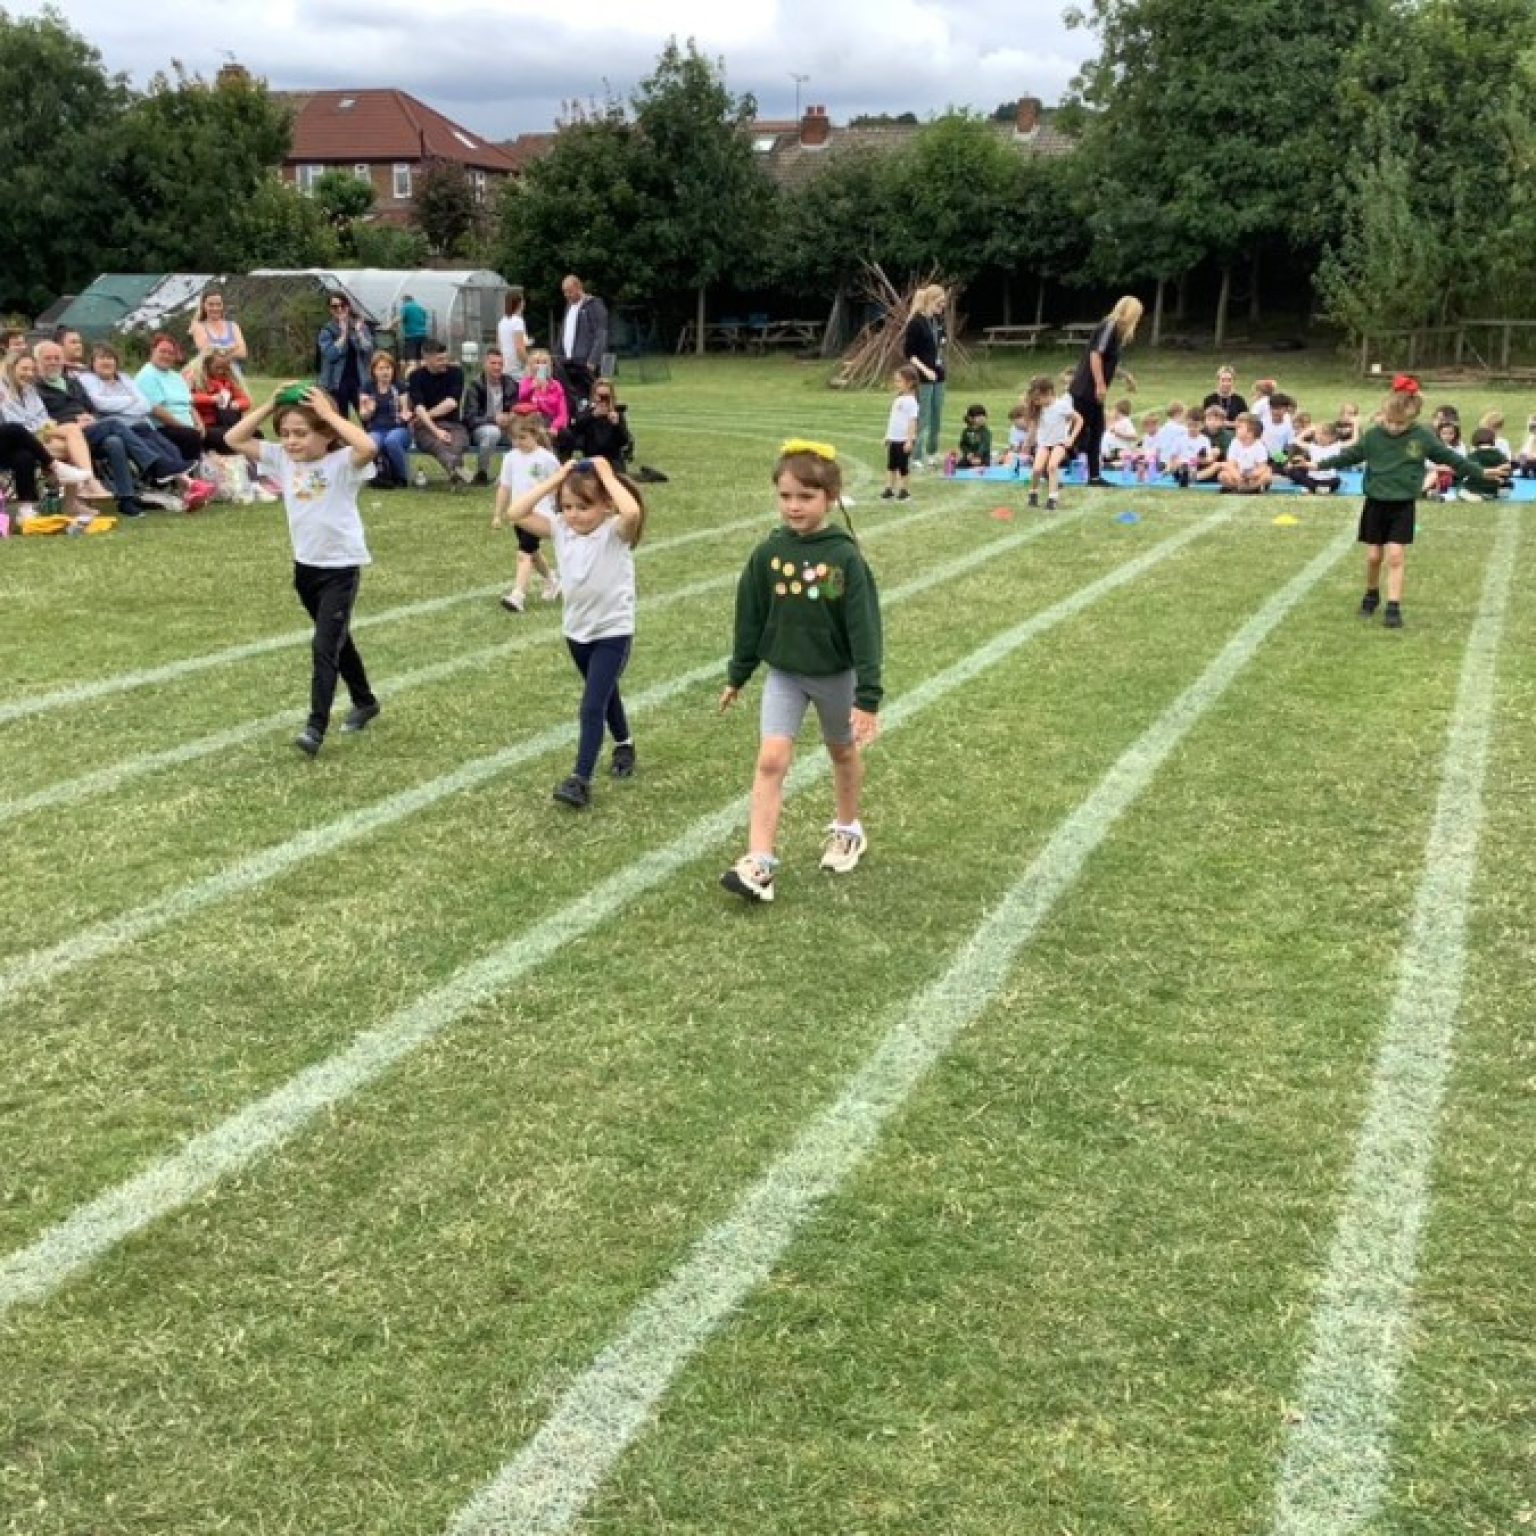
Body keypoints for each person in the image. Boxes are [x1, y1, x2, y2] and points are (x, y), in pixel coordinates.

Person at [718, 440, 883, 903]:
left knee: (842, 752)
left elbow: (865, 629)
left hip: (833, 676)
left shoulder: (845, 558)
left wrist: (867, 697)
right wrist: (738, 673)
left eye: (806, 497)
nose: (794, 506)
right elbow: (749, 617)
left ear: (830, 498)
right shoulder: (767, 554)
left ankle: (849, 828)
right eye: (786, 495)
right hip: (785, 675)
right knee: (771, 758)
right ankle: (760, 862)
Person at [224, 386, 383, 754]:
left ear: (326, 435)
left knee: (324, 645)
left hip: (340, 568)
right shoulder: (282, 459)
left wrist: (328, 414)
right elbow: (234, 437)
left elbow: (369, 448)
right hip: (305, 569)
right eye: (286, 433)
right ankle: (365, 701)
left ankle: (315, 727)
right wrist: (270, 404)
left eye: (301, 433)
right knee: (338, 641)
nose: (291, 441)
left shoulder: (342, 462)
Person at [504, 455, 646, 807]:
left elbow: (630, 513)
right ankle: (625, 744)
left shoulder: (615, 532)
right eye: (566, 506)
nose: (574, 514)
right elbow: (515, 513)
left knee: (592, 704)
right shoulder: (560, 529)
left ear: (604, 505)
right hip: (577, 632)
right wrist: (558, 478)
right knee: (605, 691)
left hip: (612, 631)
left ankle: (579, 780)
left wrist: (606, 475)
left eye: (583, 507)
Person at [1315, 376, 1488, 629]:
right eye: (1390, 421)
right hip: (1376, 502)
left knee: (1395, 556)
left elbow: (1450, 457)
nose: (1394, 427)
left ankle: (1393, 607)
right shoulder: (1373, 436)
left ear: (1412, 418)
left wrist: (1481, 472)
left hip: (1403, 505)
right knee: (1374, 556)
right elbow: (1349, 455)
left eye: (1400, 423)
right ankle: (1371, 593)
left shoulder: (1422, 437)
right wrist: (1317, 464)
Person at [34, 339, 159, 517]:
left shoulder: (71, 382)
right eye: (48, 358)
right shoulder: (36, 387)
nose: (53, 362)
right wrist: (75, 423)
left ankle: (126, 500)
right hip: (63, 434)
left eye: (57, 358)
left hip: (89, 430)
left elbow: (90, 406)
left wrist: (90, 416)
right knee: (114, 424)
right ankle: (152, 464)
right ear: (37, 361)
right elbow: (41, 418)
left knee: (114, 442)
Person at [77, 344, 211, 510]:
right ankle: (183, 484)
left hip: (140, 424)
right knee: (155, 447)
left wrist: (122, 403)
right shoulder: (88, 379)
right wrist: (129, 400)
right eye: (101, 358)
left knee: (170, 448)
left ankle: (188, 488)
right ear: (93, 362)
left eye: (110, 358)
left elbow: (145, 405)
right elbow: (100, 403)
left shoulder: (124, 378)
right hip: (120, 428)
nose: (106, 362)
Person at [0, 351, 111, 502]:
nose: (29, 373)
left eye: (32, 369)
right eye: (24, 369)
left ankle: (85, 484)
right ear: (11, 369)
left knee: (72, 431)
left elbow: (43, 417)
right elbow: (14, 426)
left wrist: (45, 429)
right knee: (71, 447)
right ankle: (79, 483)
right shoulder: (3, 391)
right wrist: (43, 429)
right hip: (14, 442)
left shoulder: (30, 390)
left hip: (35, 439)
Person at [490, 412, 562, 613]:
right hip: (518, 515)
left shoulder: (547, 459)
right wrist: (498, 514)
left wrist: (561, 511)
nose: (518, 442)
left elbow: (559, 486)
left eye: (523, 438)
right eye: (514, 438)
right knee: (533, 552)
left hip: (540, 515)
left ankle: (518, 595)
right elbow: (505, 487)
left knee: (524, 554)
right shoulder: (510, 458)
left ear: (536, 435)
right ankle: (552, 580)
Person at [1069, 295, 1142, 486]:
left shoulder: (1116, 333)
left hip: (1094, 391)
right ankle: (1048, 465)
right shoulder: (1110, 325)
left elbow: (1108, 361)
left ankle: (1094, 476)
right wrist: (1100, 384)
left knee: (1096, 432)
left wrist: (1125, 376)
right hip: (1086, 389)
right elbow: (1096, 355)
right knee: (1078, 433)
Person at [136, 334, 228, 463]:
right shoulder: (147, 375)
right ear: (153, 351)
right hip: (162, 428)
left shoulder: (176, 376)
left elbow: (189, 404)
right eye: (162, 351)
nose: (167, 356)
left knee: (226, 437)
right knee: (190, 436)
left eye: (171, 353)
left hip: (188, 426)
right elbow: (157, 410)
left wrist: (199, 423)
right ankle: (190, 478)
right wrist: (184, 426)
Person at [406, 340, 471, 488]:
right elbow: (418, 407)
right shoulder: (415, 376)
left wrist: (426, 416)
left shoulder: (456, 373)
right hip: (426, 427)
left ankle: (457, 474)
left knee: (458, 444)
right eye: (439, 359)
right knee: (438, 445)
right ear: (426, 359)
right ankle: (461, 474)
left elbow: (451, 403)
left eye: (445, 358)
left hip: (452, 424)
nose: (444, 362)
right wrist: (436, 431)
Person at [901, 284, 947, 468]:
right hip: (923, 375)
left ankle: (932, 452)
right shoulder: (915, 323)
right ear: (930, 300)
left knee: (937, 415)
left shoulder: (938, 321)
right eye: (940, 302)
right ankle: (916, 455)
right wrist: (925, 369)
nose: (942, 306)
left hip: (939, 375)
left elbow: (941, 344)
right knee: (923, 415)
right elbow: (909, 353)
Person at [1024, 373, 1083, 511]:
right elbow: (1033, 428)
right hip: (1044, 444)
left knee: (1052, 466)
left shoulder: (1061, 406)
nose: (1037, 402)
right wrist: (1027, 444)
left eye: (1039, 398)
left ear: (1049, 393)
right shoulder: (1038, 408)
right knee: (1037, 469)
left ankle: (1052, 498)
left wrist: (1071, 438)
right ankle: (1033, 493)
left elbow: (1079, 420)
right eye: (1035, 399)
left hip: (1059, 443)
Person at [358, 352, 413, 489]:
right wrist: (369, 410)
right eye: (381, 368)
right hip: (376, 429)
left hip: (398, 429)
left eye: (388, 368)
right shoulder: (368, 387)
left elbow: (405, 412)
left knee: (392, 440)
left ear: (393, 370)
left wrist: (405, 414)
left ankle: (401, 477)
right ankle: (378, 476)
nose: (385, 372)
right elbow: (363, 416)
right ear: (374, 371)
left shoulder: (399, 387)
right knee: (371, 442)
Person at [463, 347, 517, 484]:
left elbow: (517, 407)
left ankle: (509, 477)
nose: (497, 367)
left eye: (500, 364)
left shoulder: (510, 383)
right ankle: (482, 474)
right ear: (485, 364)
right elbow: (470, 418)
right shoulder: (475, 385)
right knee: (492, 432)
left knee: (522, 434)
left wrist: (511, 417)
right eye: (493, 363)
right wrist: (494, 419)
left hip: (506, 428)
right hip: (481, 429)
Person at [316, 294, 374, 419]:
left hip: (359, 380)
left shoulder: (359, 326)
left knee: (367, 418)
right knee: (341, 421)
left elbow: (368, 350)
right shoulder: (327, 331)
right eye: (335, 306)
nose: (339, 309)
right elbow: (331, 355)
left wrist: (359, 333)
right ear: (330, 309)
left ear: (348, 307)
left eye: (343, 305)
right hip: (336, 383)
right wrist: (343, 335)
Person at [556, 378, 633, 468]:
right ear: (594, 396)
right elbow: (576, 430)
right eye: (600, 396)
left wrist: (616, 425)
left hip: (613, 460)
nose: (603, 400)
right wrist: (593, 416)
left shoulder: (617, 414)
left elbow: (624, 441)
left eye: (606, 396)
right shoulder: (587, 413)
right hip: (591, 460)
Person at [556, 275, 608, 403]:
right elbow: (564, 333)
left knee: (591, 397)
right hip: (567, 363)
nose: (567, 295)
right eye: (564, 292)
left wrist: (593, 359)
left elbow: (601, 334)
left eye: (570, 291)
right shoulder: (568, 307)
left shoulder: (594, 305)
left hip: (585, 363)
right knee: (571, 398)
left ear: (579, 287)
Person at [189, 290, 249, 379]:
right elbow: (207, 350)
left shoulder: (233, 326)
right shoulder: (198, 326)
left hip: (233, 375)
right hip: (207, 375)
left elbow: (243, 352)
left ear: (222, 305)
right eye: (211, 304)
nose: (215, 308)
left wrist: (223, 358)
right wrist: (232, 349)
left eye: (218, 304)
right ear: (203, 305)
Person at [882, 365, 920, 500]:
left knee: (903, 467)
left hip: (904, 440)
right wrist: (888, 436)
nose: (896, 384)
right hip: (894, 439)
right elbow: (893, 420)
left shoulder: (912, 402)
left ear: (910, 383)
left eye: (899, 381)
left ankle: (904, 490)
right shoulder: (898, 399)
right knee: (891, 465)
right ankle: (889, 488)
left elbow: (912, 422)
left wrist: (909, 440)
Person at [517, 348, 570, 434]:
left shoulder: (556, 385)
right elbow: (522, 399)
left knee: (565, 433)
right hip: (531, 421)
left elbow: (562, 412)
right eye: (537, 362)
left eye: (544, 362)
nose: (541, 366)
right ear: (530, 365)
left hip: (552, 422)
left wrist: (554, 427)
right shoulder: (526, 382)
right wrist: (532, 387)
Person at [1216, 413, 1273, 493]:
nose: (1236, 429)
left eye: (1239, 427)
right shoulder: (1234, 442)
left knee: (1267, 475)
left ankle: (1251, 488)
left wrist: (1253, 475)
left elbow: (1262, 466)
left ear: (1250, 432)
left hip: (1252, 476)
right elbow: (1231, 464)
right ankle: (1238, 487)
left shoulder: (1259, 446)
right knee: (1223, 475)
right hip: (1238, 473)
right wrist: (1237, 476)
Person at [497, 288, 531, 381]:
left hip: (504, 366)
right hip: (516, 368)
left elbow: (499, 346)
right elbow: (519, 347)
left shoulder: (502, 322)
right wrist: (530, 363)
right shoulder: (518, 321)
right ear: (520, 303)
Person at [395, 293, 429, 367]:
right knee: (421, 358)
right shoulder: (420, 307)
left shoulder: (406, 306)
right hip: (423, 335)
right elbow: (425, 318)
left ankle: (413, 376)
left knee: (411, 358)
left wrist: (388, 326)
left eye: (403, 301)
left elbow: (400, 318)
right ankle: (423, 376)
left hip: (411, 336)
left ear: (405, 300)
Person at [958, 402, 992, 468]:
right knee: (959, 467)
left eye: (983, 415)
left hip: (982, 459)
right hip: (969, 458)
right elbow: (963, 444)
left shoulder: (985, 432)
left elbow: (984, 445)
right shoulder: (966, 431)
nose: (982, 418)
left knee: (979, 469)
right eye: (978, 416)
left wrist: (977, 456)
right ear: (971, 418)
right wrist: (968, 453)